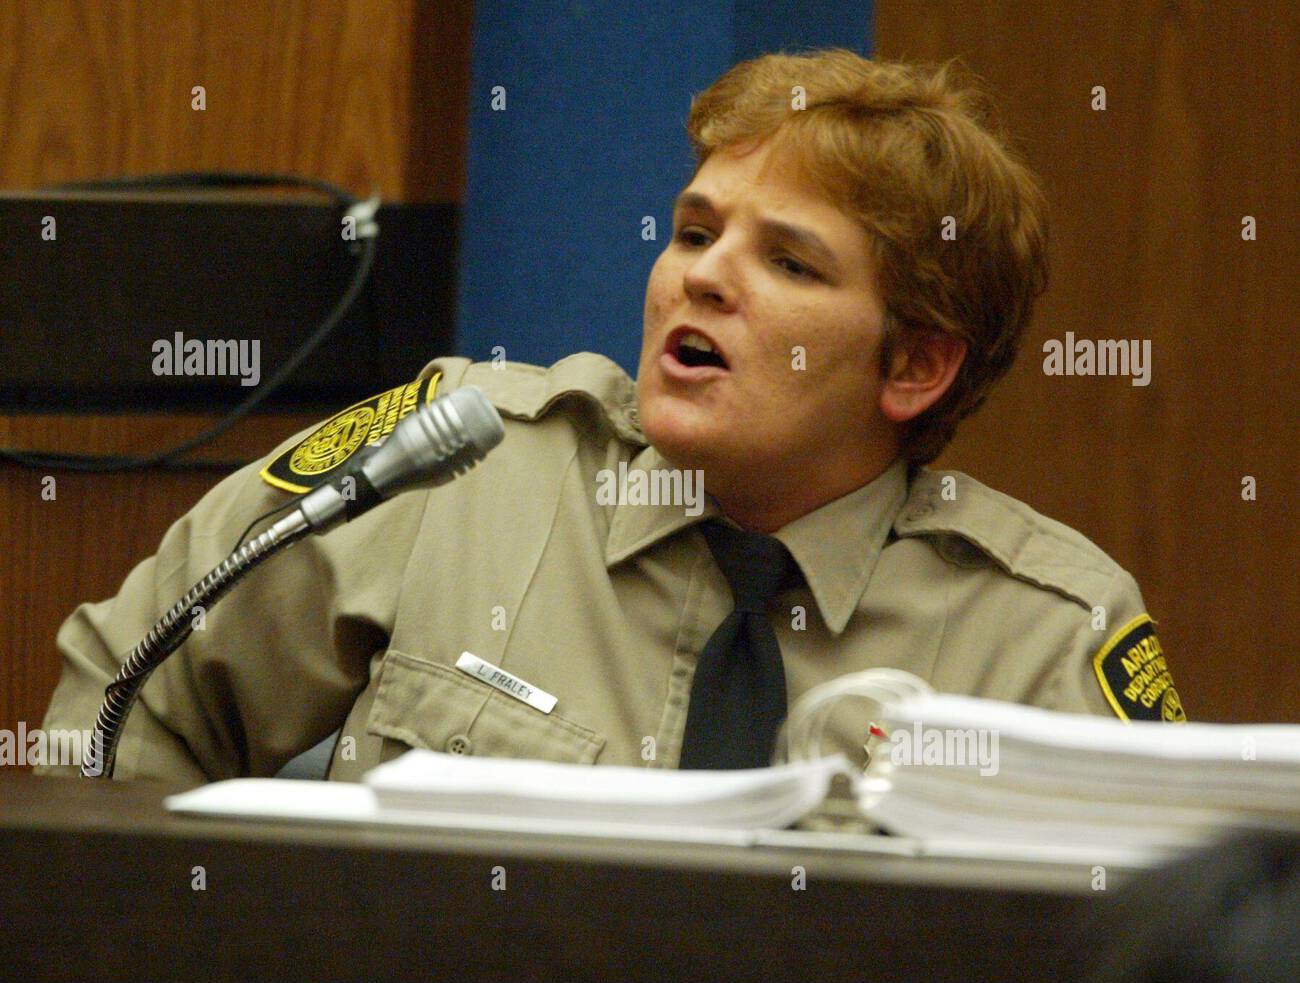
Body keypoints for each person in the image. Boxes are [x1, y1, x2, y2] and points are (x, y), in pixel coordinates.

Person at [39, 49, 1184, 788]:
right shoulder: (457, 463)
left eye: (787, 260)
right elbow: (125, 697)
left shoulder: (1046, 634)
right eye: (694, 233)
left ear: (917, 365)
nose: (701, 277)